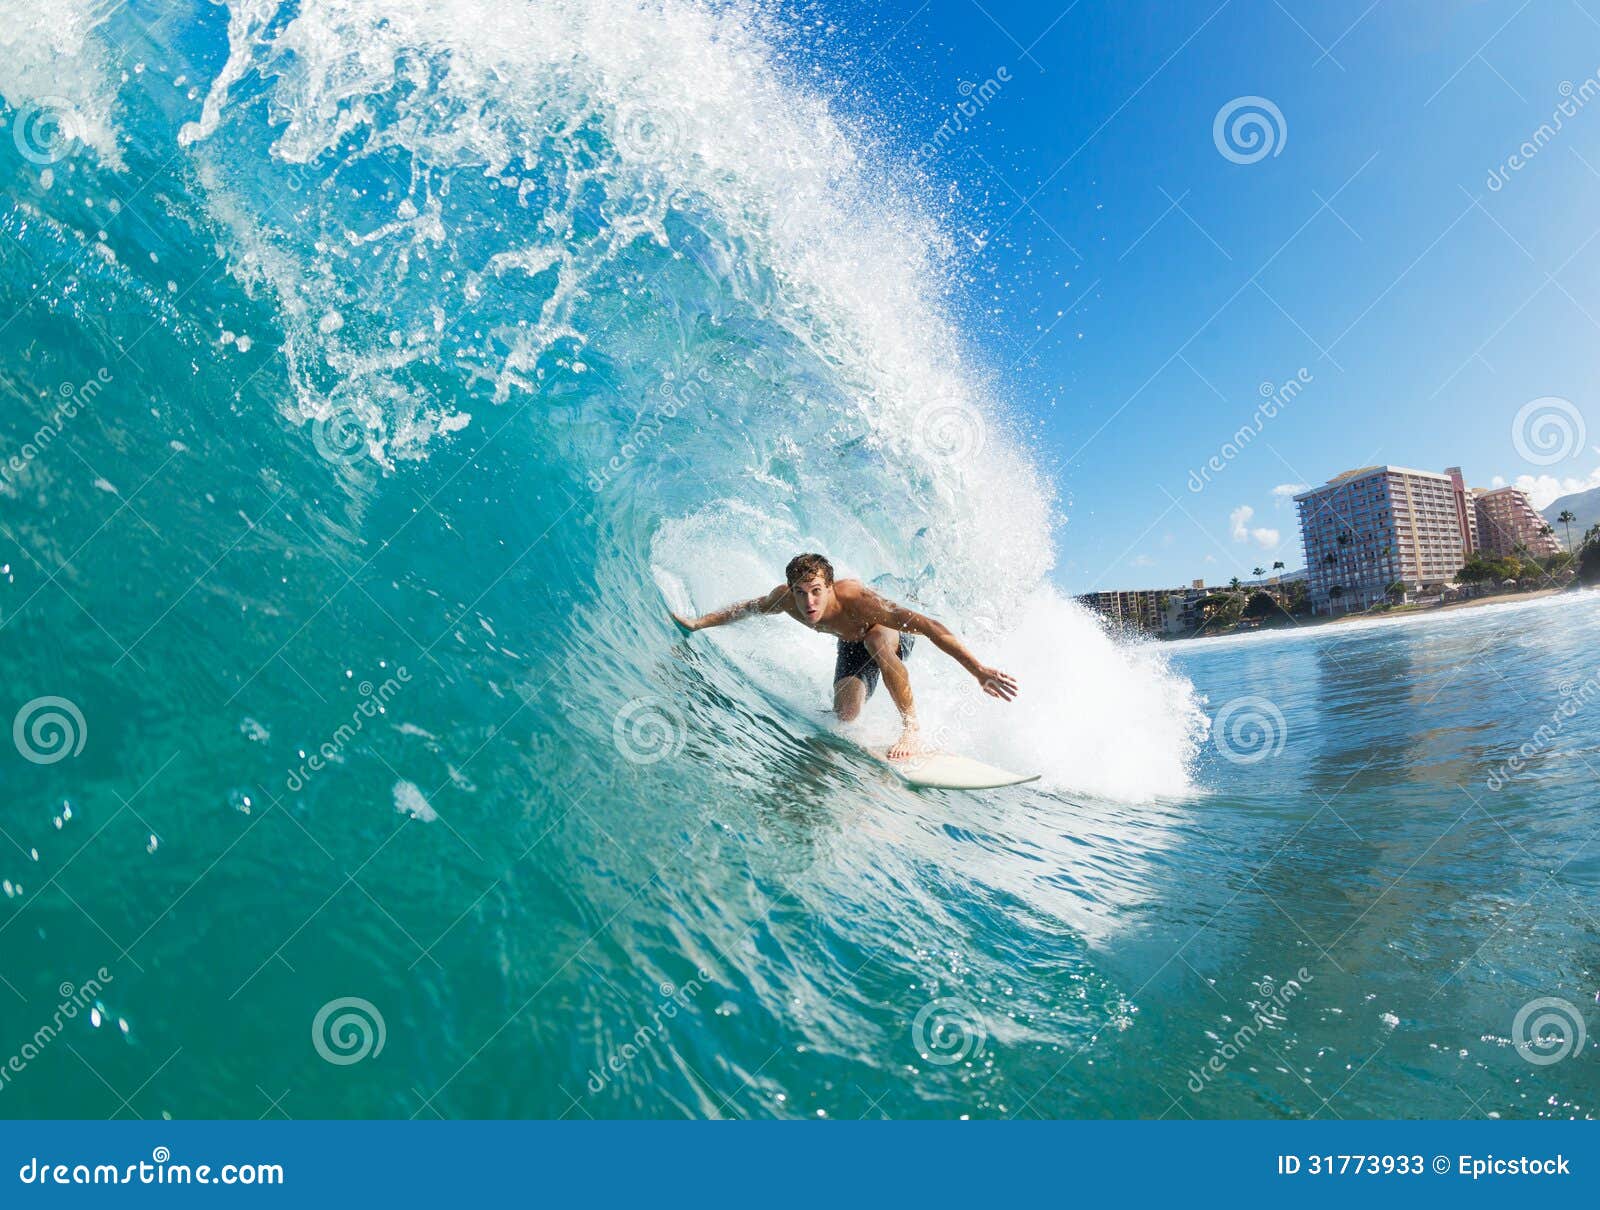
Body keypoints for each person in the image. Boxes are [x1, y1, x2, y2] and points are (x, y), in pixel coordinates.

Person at [670, 552, 1017, 760]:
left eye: (817, 592)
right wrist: (699, 623)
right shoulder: (786, 600)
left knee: (876, 642)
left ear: (831, 587)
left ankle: (911, 729)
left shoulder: (857, 600)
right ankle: (857, 716)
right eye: (801, 593)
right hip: (851, 644)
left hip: (887, 636)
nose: (809, 603)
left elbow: (927, 625)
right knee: (846, 714)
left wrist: (978, 670)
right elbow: (746, 608)